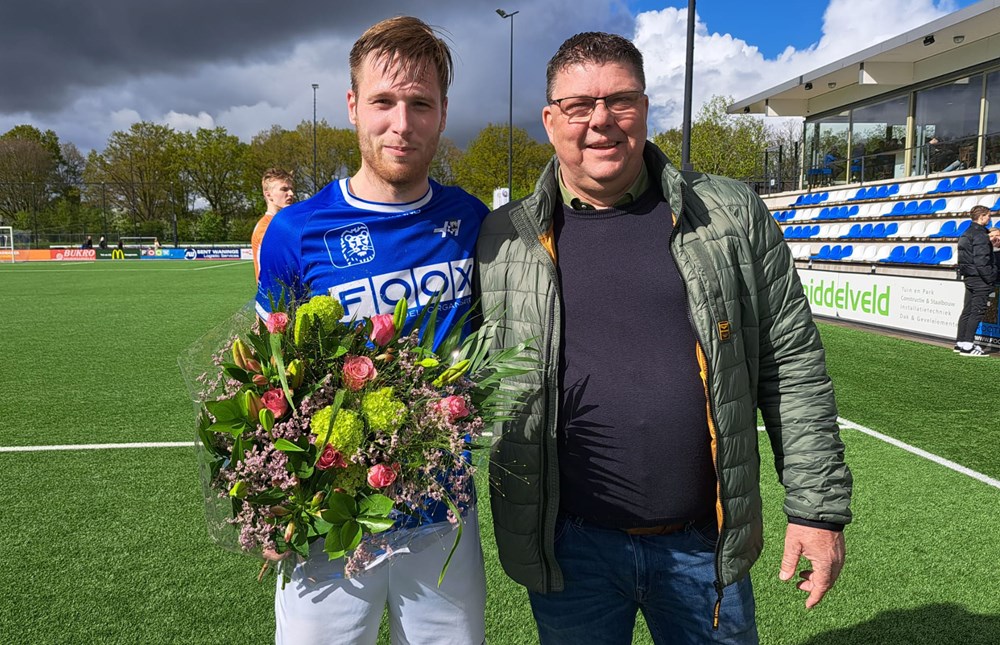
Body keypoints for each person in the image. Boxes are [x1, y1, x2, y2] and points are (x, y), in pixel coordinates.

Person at [477, 32, 853, 644]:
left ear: (646, 110)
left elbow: (791, 364)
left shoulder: (729, 213)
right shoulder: (502, 240)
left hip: (703, 544)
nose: (601, 121)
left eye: (620, 101)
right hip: (570, 548)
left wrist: (817, 508)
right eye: (578, 106)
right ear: (550, 121)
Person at [256, 16, 488, 645]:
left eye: (420, 103)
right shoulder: (296, 231)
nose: (401, 122)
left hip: (443, 515)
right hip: (330, 520)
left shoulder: (471, 221)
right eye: (383, 101)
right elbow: (266, 379)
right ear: (353, 106)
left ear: (442, 113)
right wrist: (271, 496)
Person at [955, 205, 996, 356]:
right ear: (982, 217)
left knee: (967, 310)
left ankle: (960, 342)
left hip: (969, 277)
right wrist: (990, 277)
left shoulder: (966, 232)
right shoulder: (979, 235)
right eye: (988, 216)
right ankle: (967, 346)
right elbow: (982, 261)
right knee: (976, 312)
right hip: (980, 278)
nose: (989, 219)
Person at [252, 168, 295, 281]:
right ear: (269, 195)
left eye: (291, 189)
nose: (291, 193)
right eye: (284, 189)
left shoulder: (286, 224)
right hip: (276, 296)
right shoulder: (265, 227)